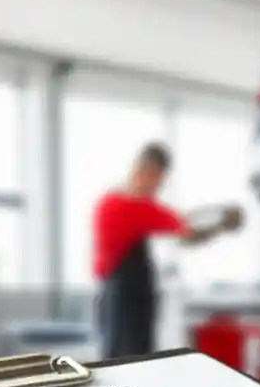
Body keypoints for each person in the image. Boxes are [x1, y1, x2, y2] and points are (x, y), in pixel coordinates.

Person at [93, 143, 241, 359]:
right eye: (159, 180)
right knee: (132, 362)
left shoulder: (109, 200)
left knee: (115, 358)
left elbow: (180, 224)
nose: (157, 187)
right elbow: (189, 233)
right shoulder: (134, 206)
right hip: (126, 297)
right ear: (149, 172)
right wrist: (223, 224)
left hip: (109, 295)